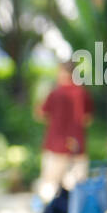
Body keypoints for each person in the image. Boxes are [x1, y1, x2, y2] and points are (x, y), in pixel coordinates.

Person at [35, 59, 93, 201]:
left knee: (49, 184)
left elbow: (40, 115)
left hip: (56, 145)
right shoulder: (83, 93)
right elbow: (87, 119)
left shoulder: (54, 93)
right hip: (77, 146)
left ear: (62, 72)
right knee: (77, 185)